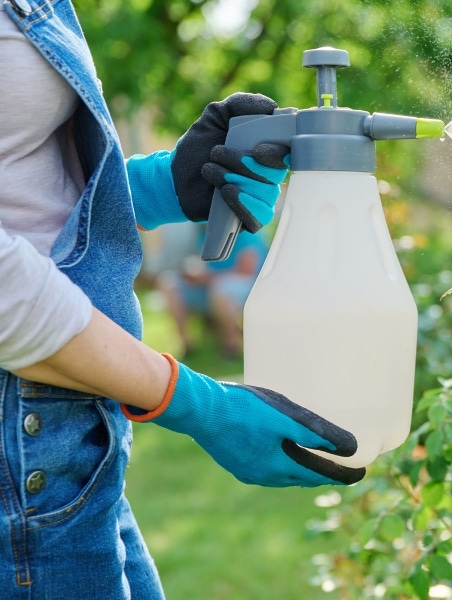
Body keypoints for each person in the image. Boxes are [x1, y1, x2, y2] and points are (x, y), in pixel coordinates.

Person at [0, 0, 363, 597]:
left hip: (79, 443)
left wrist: (160, 185)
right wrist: (197, 403)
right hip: (21, 457)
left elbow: (25, 188)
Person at [159, 228, 268, 358]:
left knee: (220, 288)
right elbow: (205, 265)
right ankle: (187, 344)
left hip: (249, 286)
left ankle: (231, 347)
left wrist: (207, 277)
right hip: (211, 284)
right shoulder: (205, 232)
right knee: (169, 283)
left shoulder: (246, 232)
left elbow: (246, 270)